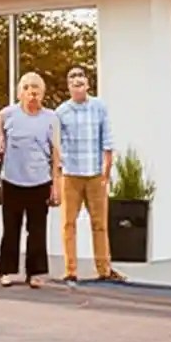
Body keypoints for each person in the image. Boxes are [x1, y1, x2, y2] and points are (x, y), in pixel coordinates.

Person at [56, 65, 128, 285]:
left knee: (100, 223)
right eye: (72, 79)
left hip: (95, 173)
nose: (77, 82)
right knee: (68, 224)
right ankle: (71, 271)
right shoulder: (61, 112)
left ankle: (104, 269)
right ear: (69, 86)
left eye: (81, 78)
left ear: (87, 83)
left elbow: (107, 140)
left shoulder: (99, 107)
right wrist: (58, 174)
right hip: (71, 175)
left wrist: (106, 172)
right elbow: (57, 146)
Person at [0, 72, 62, 289]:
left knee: (37, 229)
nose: (32, 93)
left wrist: (56, 185)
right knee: (11, 228)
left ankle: (36, 273)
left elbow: (56, 153)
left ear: (42, 93)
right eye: (28, 88)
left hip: (40, 180)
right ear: (20, 91)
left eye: (36, 89)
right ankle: (6, 270)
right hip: (12, 179)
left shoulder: (51, 118)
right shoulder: (6, 114)